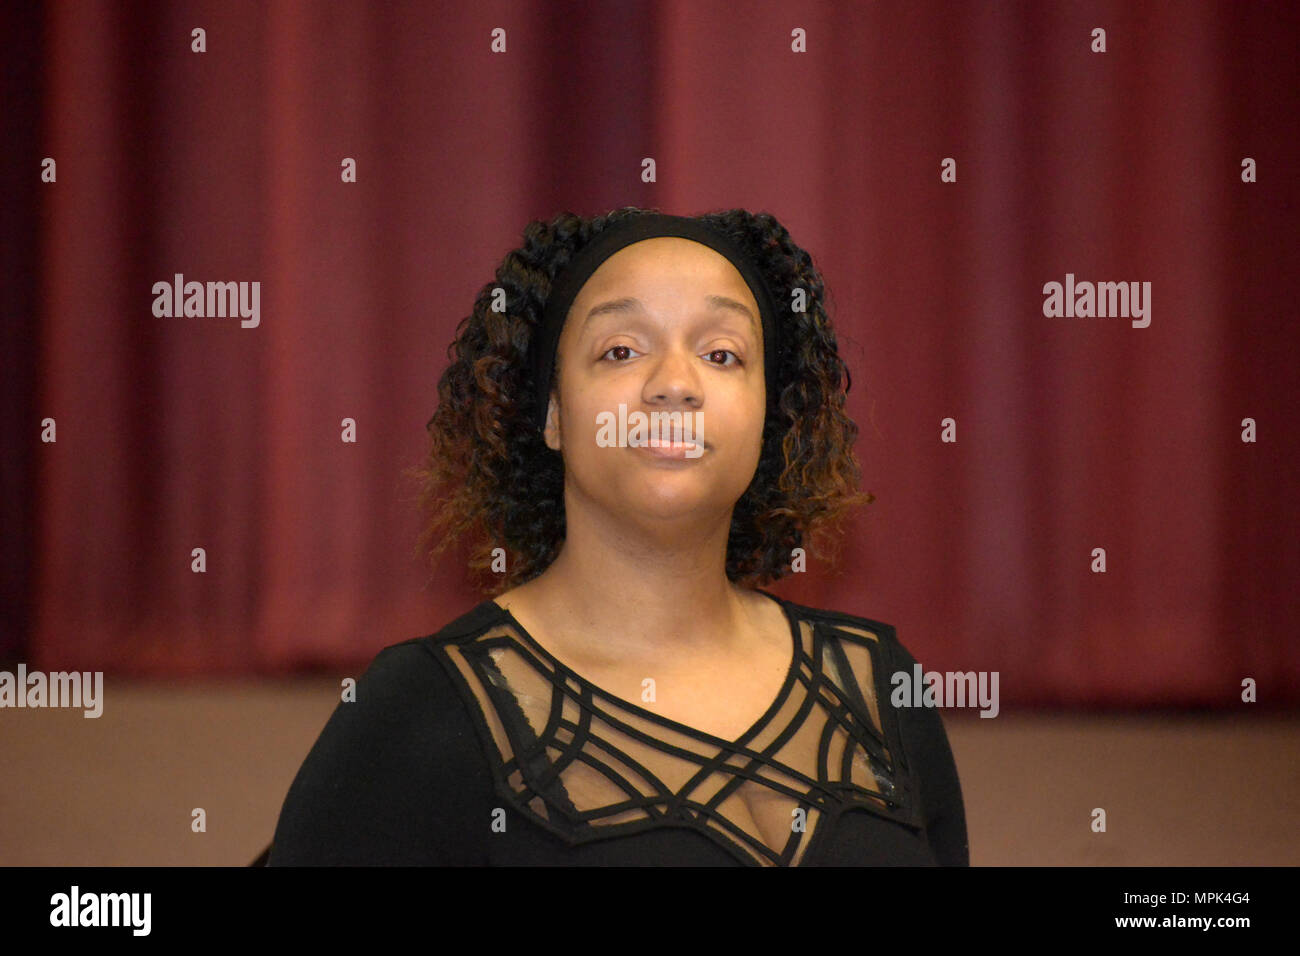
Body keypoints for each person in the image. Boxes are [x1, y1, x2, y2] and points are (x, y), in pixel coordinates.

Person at [268, 207, 969, 866]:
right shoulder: (420, 709)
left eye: (722, 354)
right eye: (622, 350)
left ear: (766, 416)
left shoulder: (880, 681)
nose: (676, 384)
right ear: (551, 413)